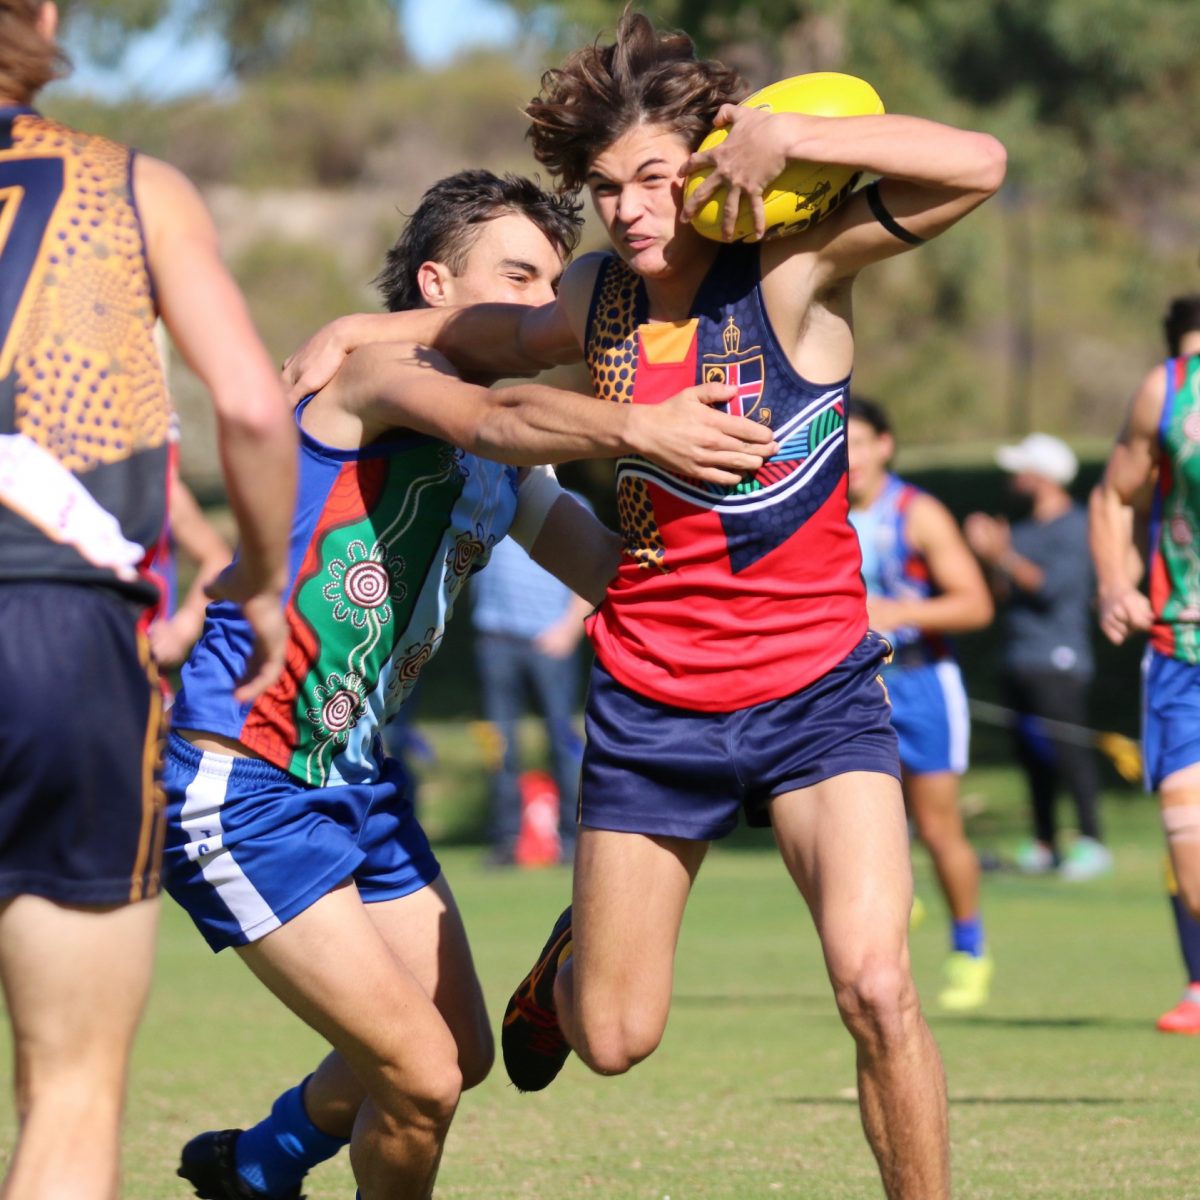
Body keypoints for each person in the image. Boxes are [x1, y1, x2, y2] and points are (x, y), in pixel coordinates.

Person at [284, 13, 1006, 1198]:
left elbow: (979, 164)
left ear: (712, 163)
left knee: (878, 985)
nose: (630, 210)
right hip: (653, 703)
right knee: (613, 1038)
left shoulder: (798, 264)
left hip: (817, 692)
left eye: (655, 180)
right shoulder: (600, 297)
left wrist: (788, 132)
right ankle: (569, 966)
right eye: (609, 187)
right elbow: (496, 334)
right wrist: (362, 329)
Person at [166, 168, 774, 1200]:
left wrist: (775, 642)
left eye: (556, 283)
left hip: (354, 783)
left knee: (457, 1051)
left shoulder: (504, 465)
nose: (545, 307)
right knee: (422, 1077)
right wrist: (643, 425)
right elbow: (490, 420)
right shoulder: (377, 376)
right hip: (240, 778)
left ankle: (257, 1167)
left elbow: (620, 581)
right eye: (521, 277)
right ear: (439, 284)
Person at [0, 4, 297, 1199]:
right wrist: (262, 579)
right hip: (63, 637)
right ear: (47, 20)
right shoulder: (131, 190)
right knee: (70, 1088)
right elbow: (252, 409)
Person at [845, 397, 995, 1010]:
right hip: (849, 688)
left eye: (858, 442)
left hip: (922, 682)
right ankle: (888, 924)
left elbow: (975, 604)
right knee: (852, 828)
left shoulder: (917, 513)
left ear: (886, 445)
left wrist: (903, 611)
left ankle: (969, 951)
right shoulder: (815, 510)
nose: (847, 458)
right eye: (836, 444)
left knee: (937, 827)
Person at [1090, 293, 1200, 1035]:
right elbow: (1114, 495)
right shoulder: (1168, 390)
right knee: (1190, 852)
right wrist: (1115, 584)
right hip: (1182, 652)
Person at [965, 433, 1111, 880]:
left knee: (1069, 751)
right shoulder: (1023, 530)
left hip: (1059, 658)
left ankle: (1091, 842)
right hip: (1019, 656)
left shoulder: (1077, 525)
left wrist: (1000, 553)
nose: (1015, 477)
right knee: (1032, 755)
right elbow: (1003, 593)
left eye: (1023, 469)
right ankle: (1046, 841)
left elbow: (1050, 588)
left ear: (1044, 477)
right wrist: (991, 559)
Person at [471, 496, 593, 866]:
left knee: (561, 741)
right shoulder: (488, 500)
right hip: (496, 640)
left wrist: (569, 630)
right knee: (501, 746)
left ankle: (574, 841)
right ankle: (505, 841)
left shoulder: (573, 504)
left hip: (550, 642)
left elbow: (592, 566)